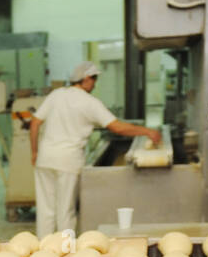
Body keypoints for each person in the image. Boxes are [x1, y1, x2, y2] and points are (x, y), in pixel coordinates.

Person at [29, 61, 162, 239]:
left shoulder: (56, 94)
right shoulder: (89, 102)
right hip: (67, 161)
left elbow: (35, 122)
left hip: (45, 158)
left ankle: (42, 250)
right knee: (65, 211)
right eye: (94, 79)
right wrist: (147, 131)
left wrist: (35, 152)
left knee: (45, 210)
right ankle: (65, 252)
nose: (94, 83)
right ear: (85, 79)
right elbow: (118, 128)